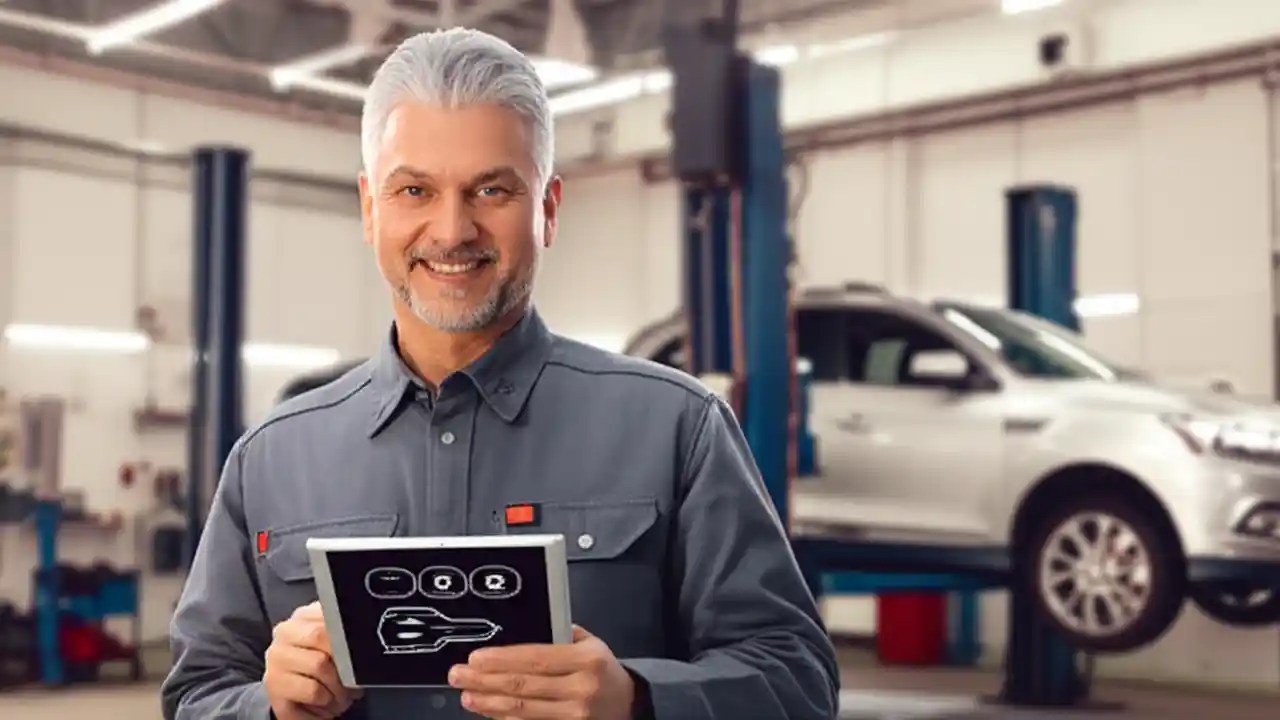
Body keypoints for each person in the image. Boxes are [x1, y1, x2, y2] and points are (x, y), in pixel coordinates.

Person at [160, 27, 840, 720]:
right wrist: (266, 706)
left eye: (490, 190)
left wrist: (637, 699)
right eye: (415, 190)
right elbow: (197, 693)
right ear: (370, 208)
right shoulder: (270, 461)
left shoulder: (678, 431)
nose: (452, 230)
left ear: (547, 208)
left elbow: (796, 679)